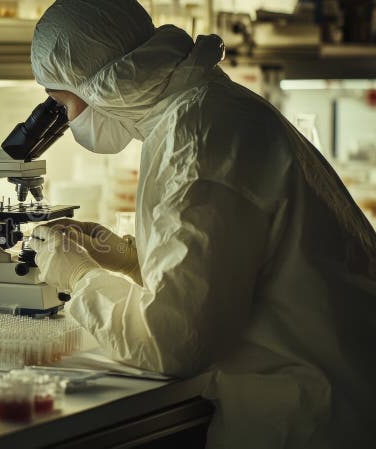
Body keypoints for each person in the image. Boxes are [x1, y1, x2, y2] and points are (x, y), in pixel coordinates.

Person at [26, 1, 376, 447]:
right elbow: (229, 269)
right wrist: (130, 259)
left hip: (309, 417)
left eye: (60, 103)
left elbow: (174, 342)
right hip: (331, 391)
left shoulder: (194, 141)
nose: (65, 119)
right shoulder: (204, 108)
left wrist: (81, 277)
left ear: (99, 83)